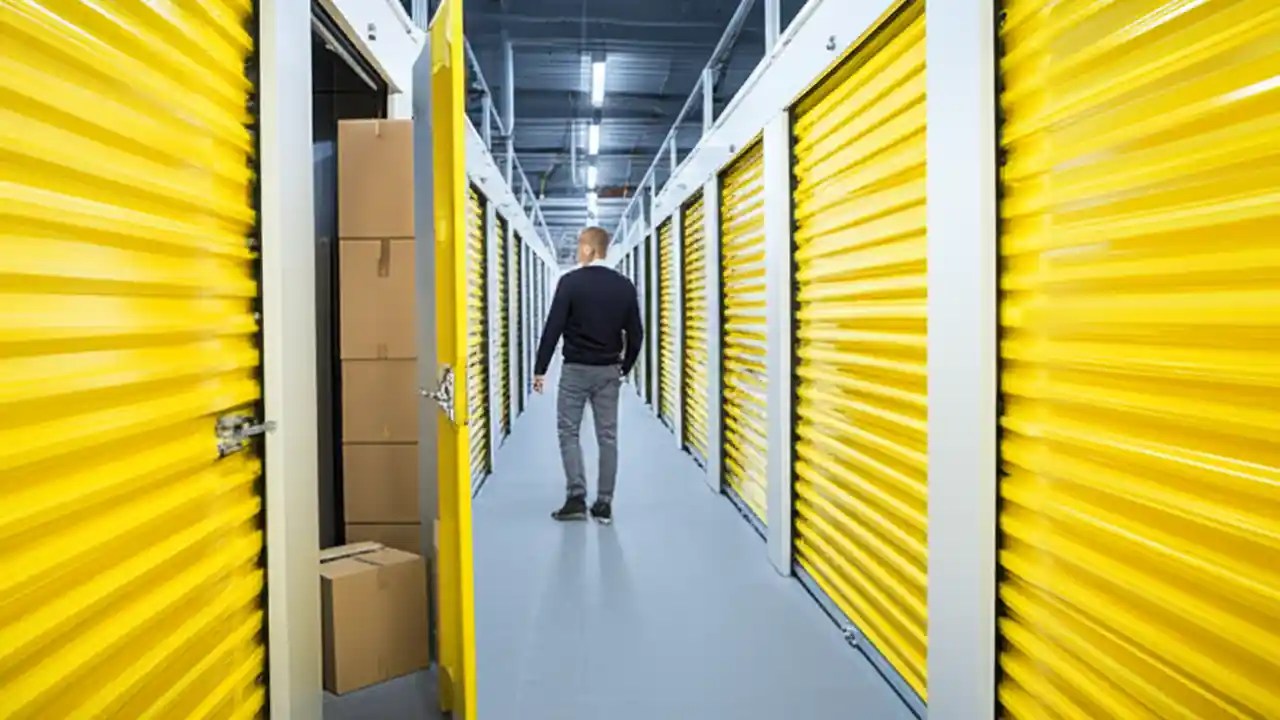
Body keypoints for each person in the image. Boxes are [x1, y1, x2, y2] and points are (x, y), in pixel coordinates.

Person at [533, 226, 644, 524]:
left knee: (568, 432)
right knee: (608, 437)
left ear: (589, 249)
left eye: (580, 246)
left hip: (575, 372)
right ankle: (604, 504)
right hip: (609, 371)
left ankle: (576, 498)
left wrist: (540, 368)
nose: (577, 252)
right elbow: (637, 333)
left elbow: (553, 327)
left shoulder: (570, 283)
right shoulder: (624, 286)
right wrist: (625, 367)